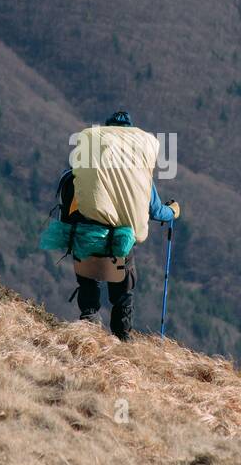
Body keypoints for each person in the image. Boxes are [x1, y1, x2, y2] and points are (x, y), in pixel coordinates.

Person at [55, 110, 179, 341]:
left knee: (88, 280)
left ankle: (88, 329)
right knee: (123, 290)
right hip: (120, 241)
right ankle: (122, 337)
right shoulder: (138, 176)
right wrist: (172, 211)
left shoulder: (85, 168)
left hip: (86, 234)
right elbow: (155, 210)